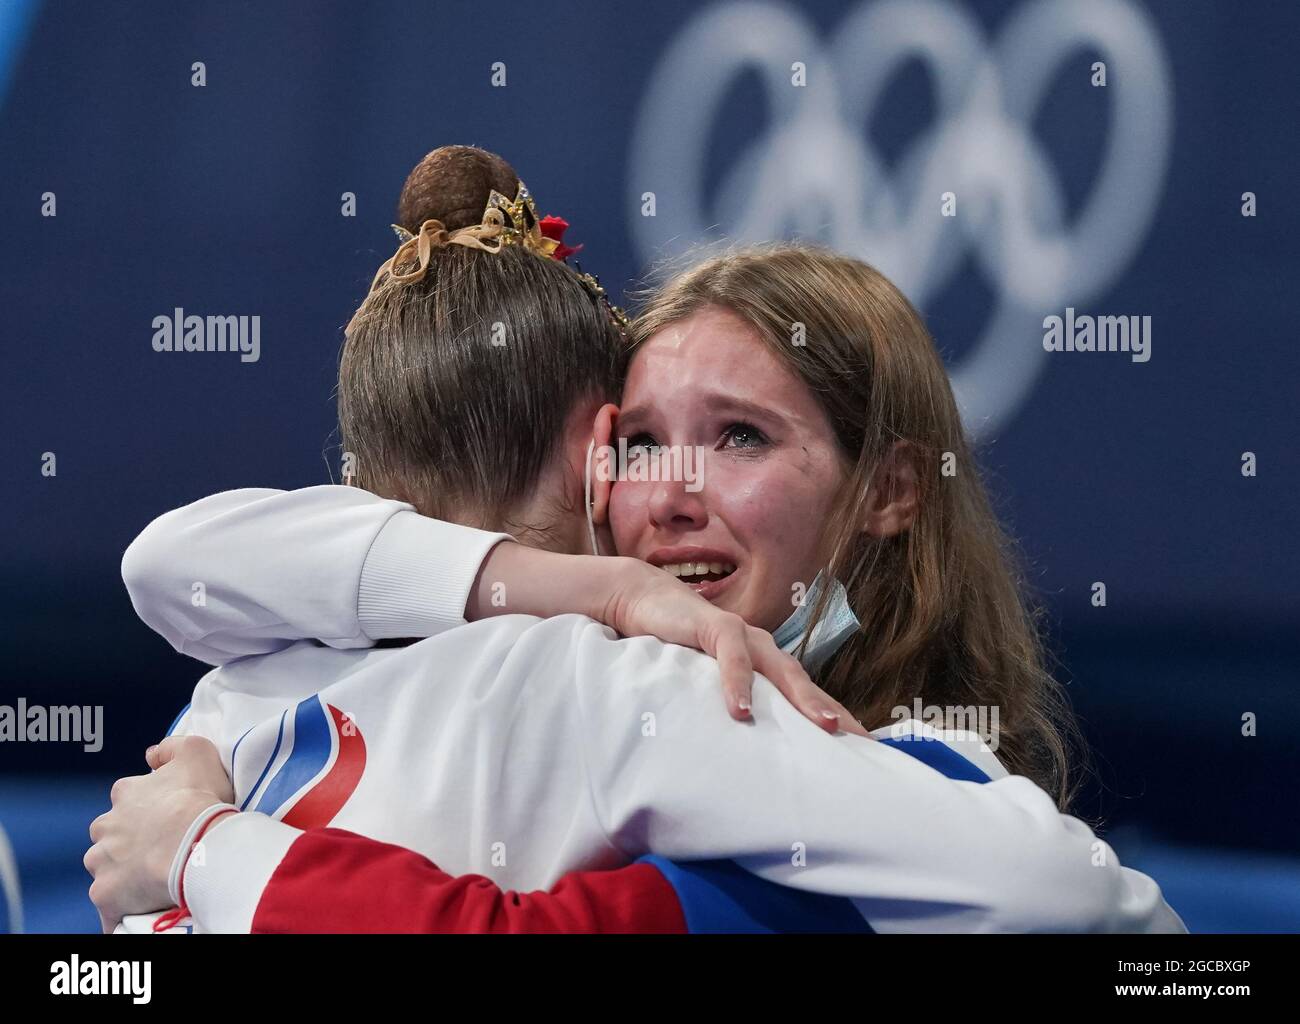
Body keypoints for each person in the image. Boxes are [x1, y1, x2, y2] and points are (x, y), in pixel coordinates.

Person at [88, 146, 1184, 934]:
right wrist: (584, 587)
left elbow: (1088, 901)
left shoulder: (895, 788)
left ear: (890, 491)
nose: (666, 497)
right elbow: (175, 562)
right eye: (642, 443)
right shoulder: (343, 665)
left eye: (741, 437)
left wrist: (201, 851)